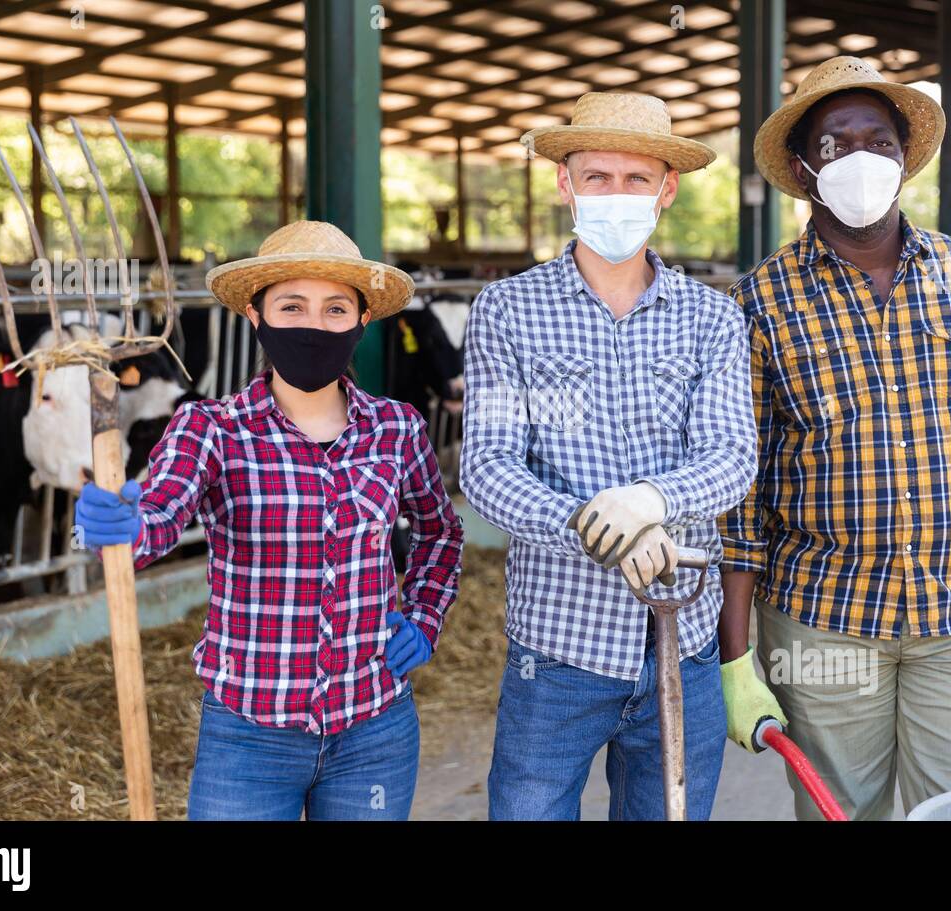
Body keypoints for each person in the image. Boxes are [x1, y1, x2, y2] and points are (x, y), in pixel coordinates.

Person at [718, 56, 951, 819]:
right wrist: (737, 657)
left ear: (904, 159)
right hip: (822, 620)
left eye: (878, 141)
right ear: (802, 167)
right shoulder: (758, 303)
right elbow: (739, 501)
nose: (859, 158)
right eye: (835, 143)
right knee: (843, 814)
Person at [74, 221, 464, 820]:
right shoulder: (210, 429)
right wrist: (120, 529)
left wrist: (424, 616)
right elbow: (158, 514)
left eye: (336, 308)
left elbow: (439, 532)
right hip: (249, 737)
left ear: (362, 322)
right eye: (292, 305)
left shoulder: (398, 428)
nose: (314, 324)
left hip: (375, 730)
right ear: (256, 315)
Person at [461, 91, 757, 820]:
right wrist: (598, 523)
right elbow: (489, 467)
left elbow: (731, 453)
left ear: (667, 187)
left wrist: (651, 501)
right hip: (557, 650)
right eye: (597, 178)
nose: (615, 195)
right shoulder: (508, 311)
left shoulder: (712, 317)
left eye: (635, 179)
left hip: (683, 647)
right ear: (565, 183)